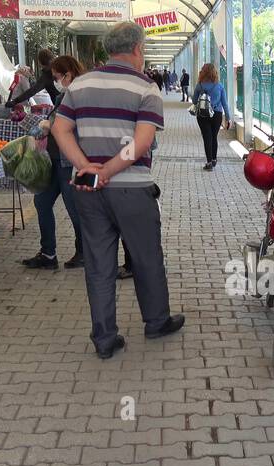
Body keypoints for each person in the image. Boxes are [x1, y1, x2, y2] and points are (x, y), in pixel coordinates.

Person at [51, 21, 185, 360]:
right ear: (138, 49)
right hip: (132, 190)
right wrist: (108, 170)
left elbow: (59, 129)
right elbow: (141, 143)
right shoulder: (145, 87)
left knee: (99, 264)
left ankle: (104, 338)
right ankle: (156, 322)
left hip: (88, 189)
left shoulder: (79, 85)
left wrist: (87, 167)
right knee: (146, 258)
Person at [23, 55, 87, 271]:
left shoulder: (79, 94)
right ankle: (48, 253)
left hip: (69, 162)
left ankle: (84, 252)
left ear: (68, 74)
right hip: (55, 159)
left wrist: (44, 126)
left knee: (75, 210)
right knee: (42, 202)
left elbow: (59, 123)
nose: (56, 81)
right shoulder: (64, 95)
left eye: (57, 76)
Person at [190, 64, 231, 171]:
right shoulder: (219, 86)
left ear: (203, 72)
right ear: (214, 72)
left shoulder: (199, 85)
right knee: (214, 137)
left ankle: (209, 163)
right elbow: (225, 103)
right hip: (217, 114)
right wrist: (228, 117)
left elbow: (194, 101)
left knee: (207, 137)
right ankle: (214, 159)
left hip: (203, 114)